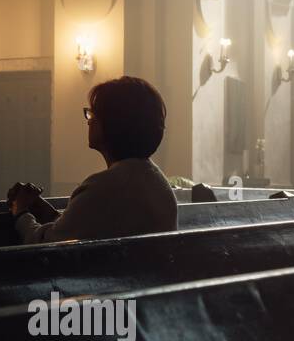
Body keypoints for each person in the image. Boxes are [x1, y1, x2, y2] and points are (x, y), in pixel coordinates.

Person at [10, 76, 177, 244]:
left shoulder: (104, 186)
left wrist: (20, 212)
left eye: (92, 114)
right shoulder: (156, 180)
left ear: (113, 124)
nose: (89, 122)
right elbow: (88, 225)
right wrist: (45, 210)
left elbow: (45, 244)